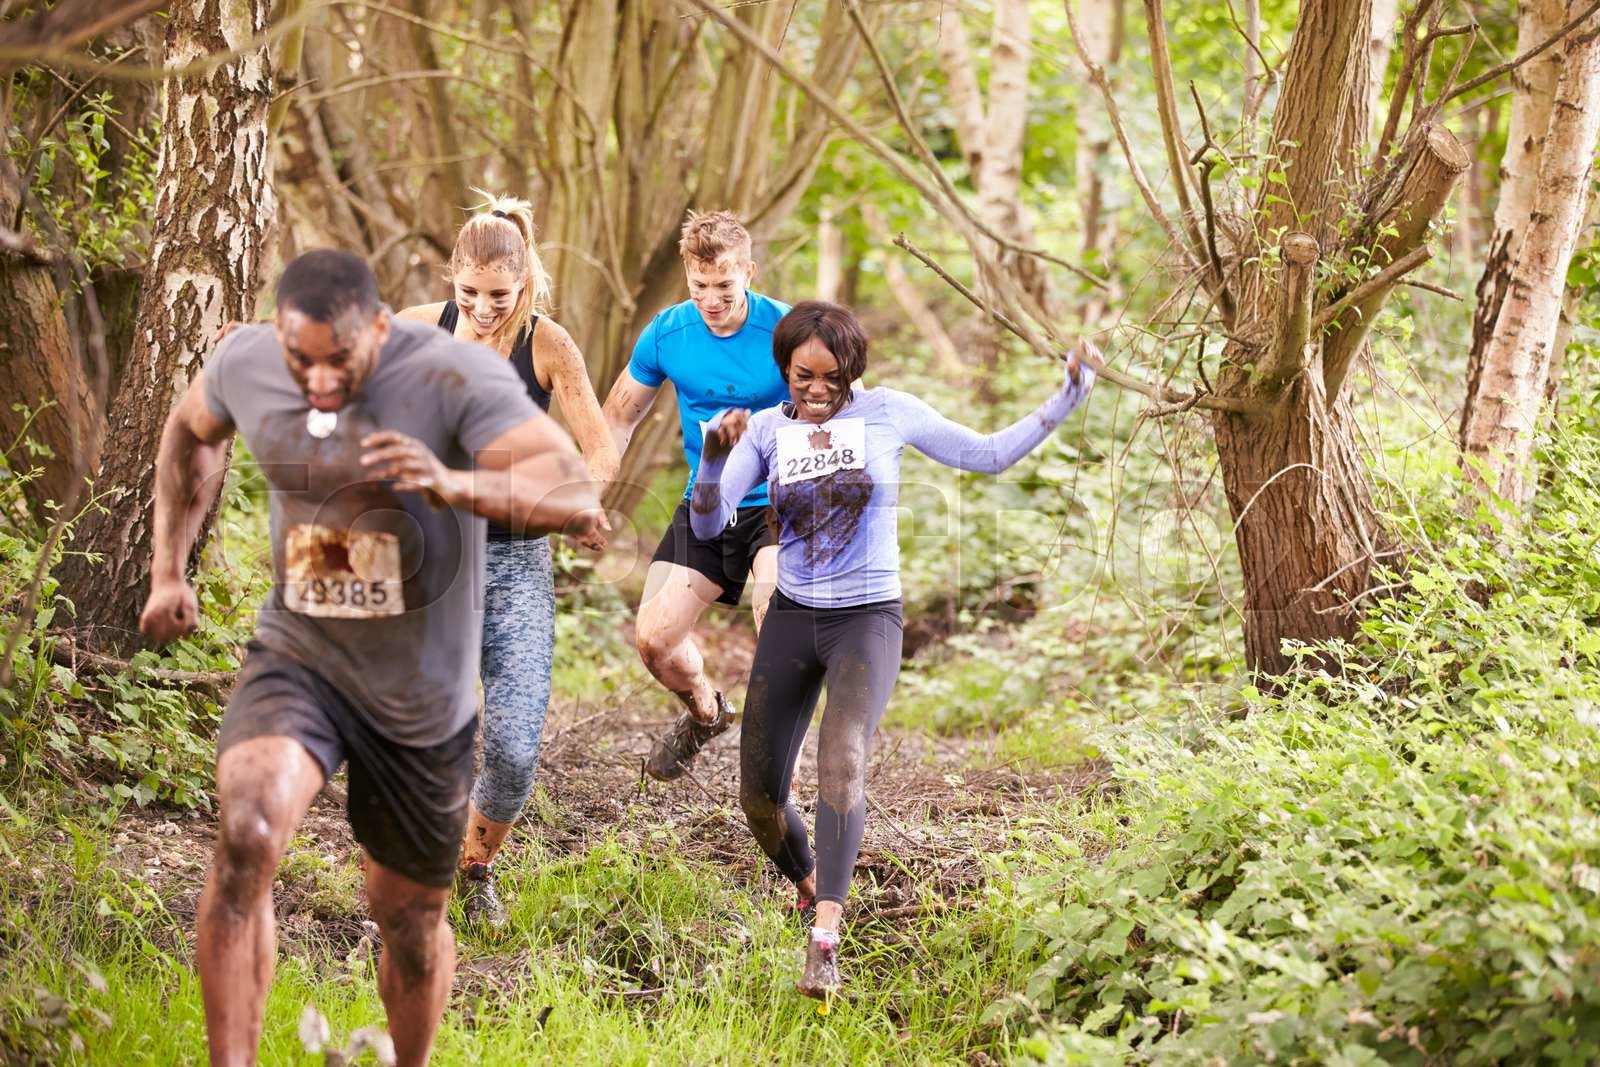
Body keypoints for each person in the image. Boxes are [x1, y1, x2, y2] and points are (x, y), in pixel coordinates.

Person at [139, 250, 602, 1067]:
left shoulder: (451, 376)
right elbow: (188, 432)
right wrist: (168, 569)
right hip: (303, 655)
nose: (317, 381)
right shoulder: (247, 358)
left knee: (412, 925)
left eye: (339, 361)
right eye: (300, 360)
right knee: (246, 833)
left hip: (420, 691)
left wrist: (454, 485)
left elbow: (573, 491)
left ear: (382, 331)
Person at [688, 301, 1096, 999]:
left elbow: (990, 453)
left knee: (842, 760)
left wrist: (1068, 396)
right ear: (784, 370)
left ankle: (825, 939)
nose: (816, 393)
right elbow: (709, 516)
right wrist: (715, 456)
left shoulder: (889, 413)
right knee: (759, 798)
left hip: (867, 618)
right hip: (793, 615)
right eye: (802, 377)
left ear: (855, 371)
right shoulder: (763, 430)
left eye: (832, 378)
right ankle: (811, 882)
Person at [396, 192, 619, 927]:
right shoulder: (421, 330)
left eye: (500, 295)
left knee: (517, 748)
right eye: (469, 293)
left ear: (524, 281)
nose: (483, 309)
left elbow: (600, 442)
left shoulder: (548, 344)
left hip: (519, 564)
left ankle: (476, 865)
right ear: (450, 277)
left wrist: (587, 502)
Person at [601, 210, 790, 780]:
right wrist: (588, 494)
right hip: (707, 502)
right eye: (700, 286)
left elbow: (845, 402)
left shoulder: (786, 331)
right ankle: (707, 712)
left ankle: (781, 766)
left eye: (725, 286)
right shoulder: (667, 332)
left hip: (779, 503)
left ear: (749, 273)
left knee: (774, 613)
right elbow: (616, 419)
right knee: (654, 640)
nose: (711, 299)